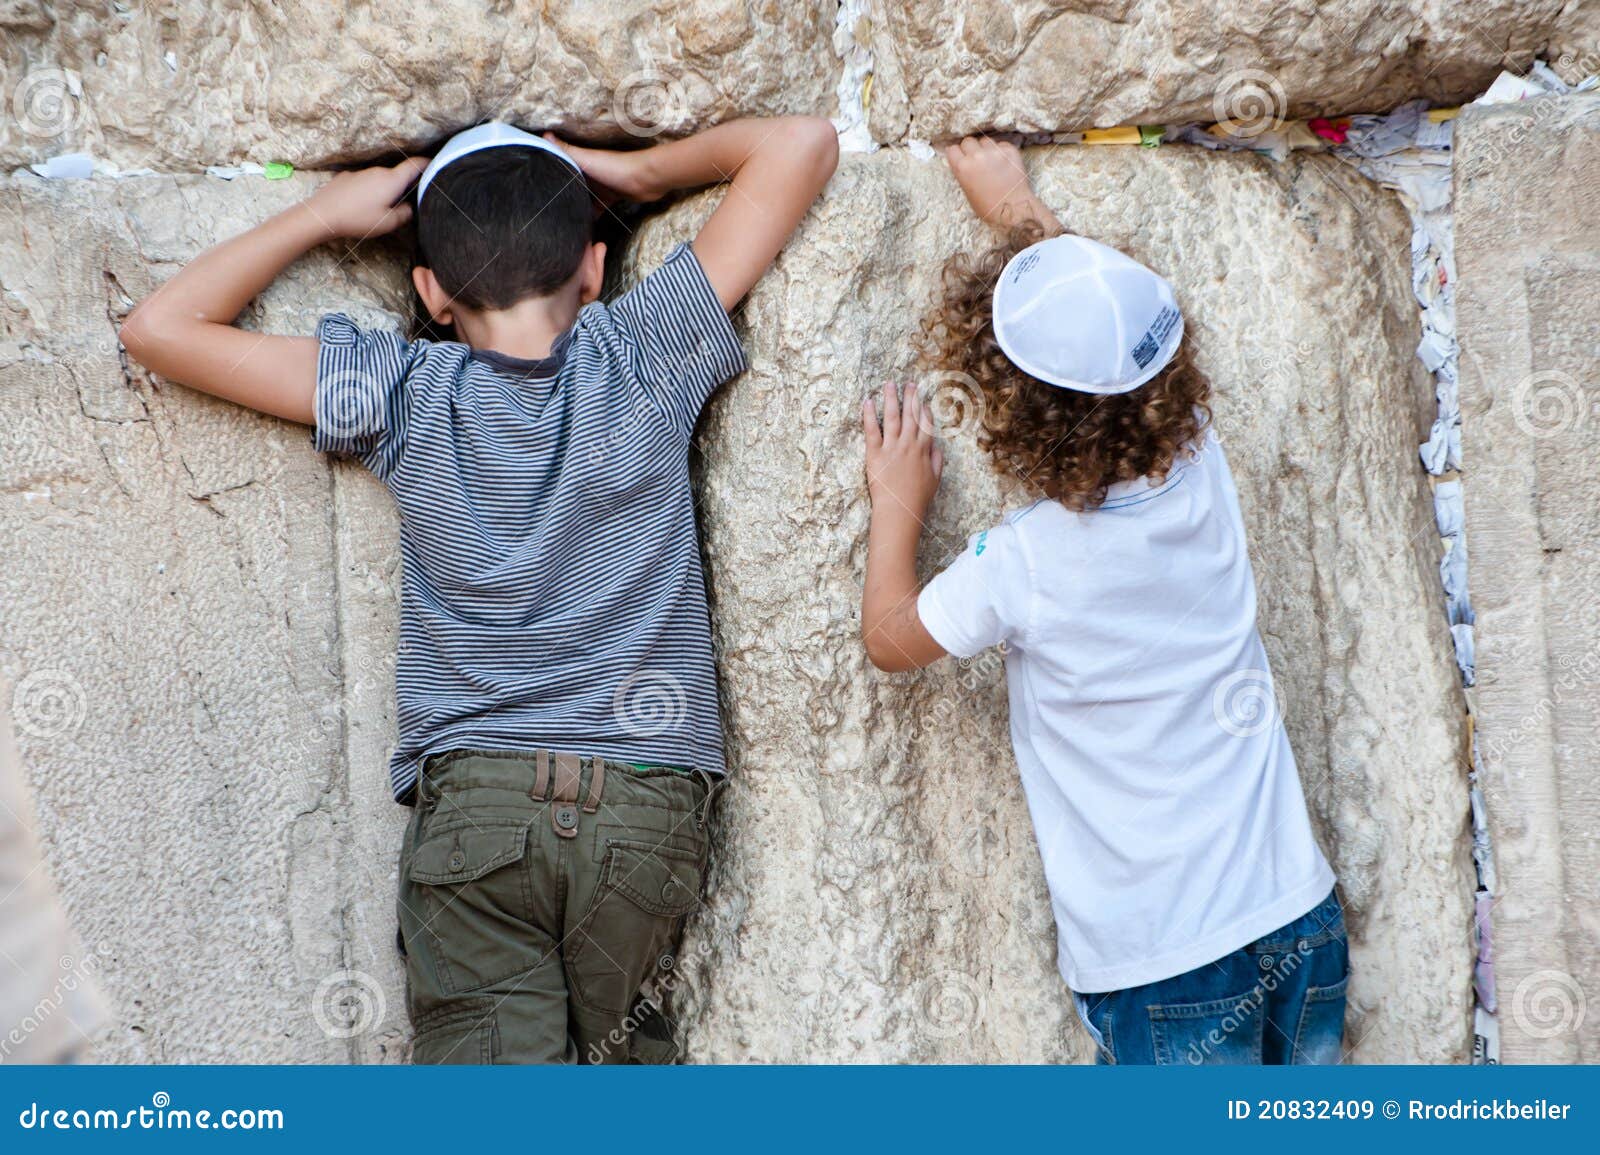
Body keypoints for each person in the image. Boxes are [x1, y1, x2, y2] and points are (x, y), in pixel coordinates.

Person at [120, 115, 838, 1063]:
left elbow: (159, 329)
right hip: (647, 803)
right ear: (591, 267)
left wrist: (320, 214)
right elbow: (800, 145)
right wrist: (630, 166)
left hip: (480, 808)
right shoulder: (647, 354)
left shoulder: (403, 392)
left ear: (428, 291)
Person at [857, 136, 1345, 1065]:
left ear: (1006, 408)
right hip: (1296, 911)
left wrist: (897, 501)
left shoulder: (1025, 564)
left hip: (1169, 967)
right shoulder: (1200, 461)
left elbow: (889, 638)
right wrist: (1021, 210)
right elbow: (1108, 348)